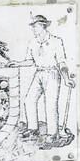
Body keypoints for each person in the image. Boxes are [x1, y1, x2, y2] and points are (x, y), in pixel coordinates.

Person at [19, 14, 74, 149]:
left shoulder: (56, 41)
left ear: (43, 26)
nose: (33, 29)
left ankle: (53, 133)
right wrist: (16, 63)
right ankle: (33, 128)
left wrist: (67, 78)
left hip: (53, 73)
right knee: (29, 100)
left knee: (50, 104)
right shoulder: (32, 42)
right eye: (32, 27)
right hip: (39, 73)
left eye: (35, 26)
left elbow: (61, 62)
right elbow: (29, 61)